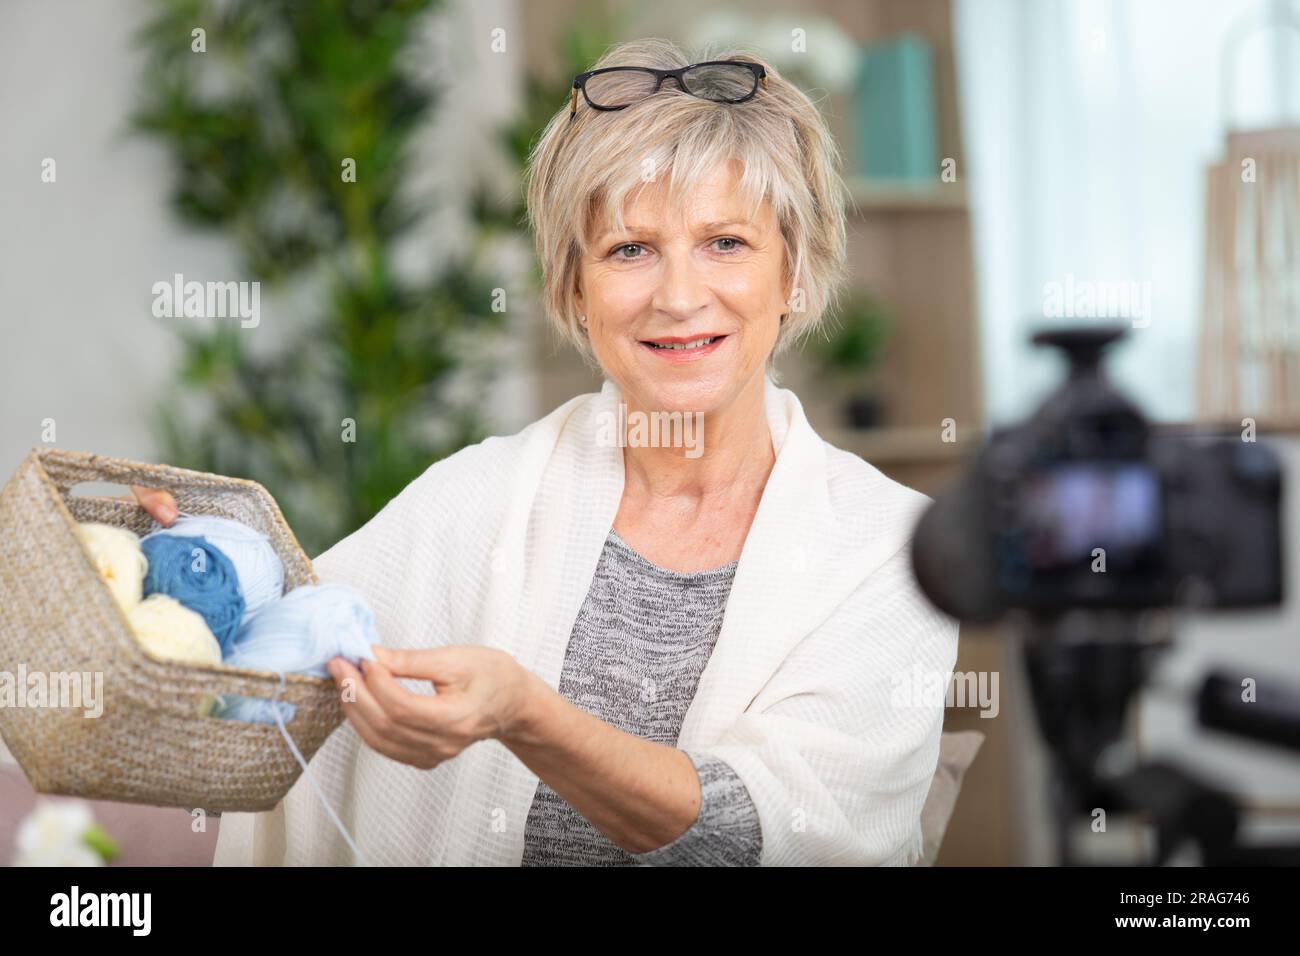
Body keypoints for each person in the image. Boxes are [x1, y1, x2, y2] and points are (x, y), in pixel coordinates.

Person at [132, 38, 958, 866]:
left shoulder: (895, 549)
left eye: (726, 244)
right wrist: (181, 566)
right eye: (629, 250)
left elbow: (768, 835)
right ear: (574, 289)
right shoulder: (474, 498)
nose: (678, 296)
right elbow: (276, 651)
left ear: (797, 275)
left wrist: (528, 714)